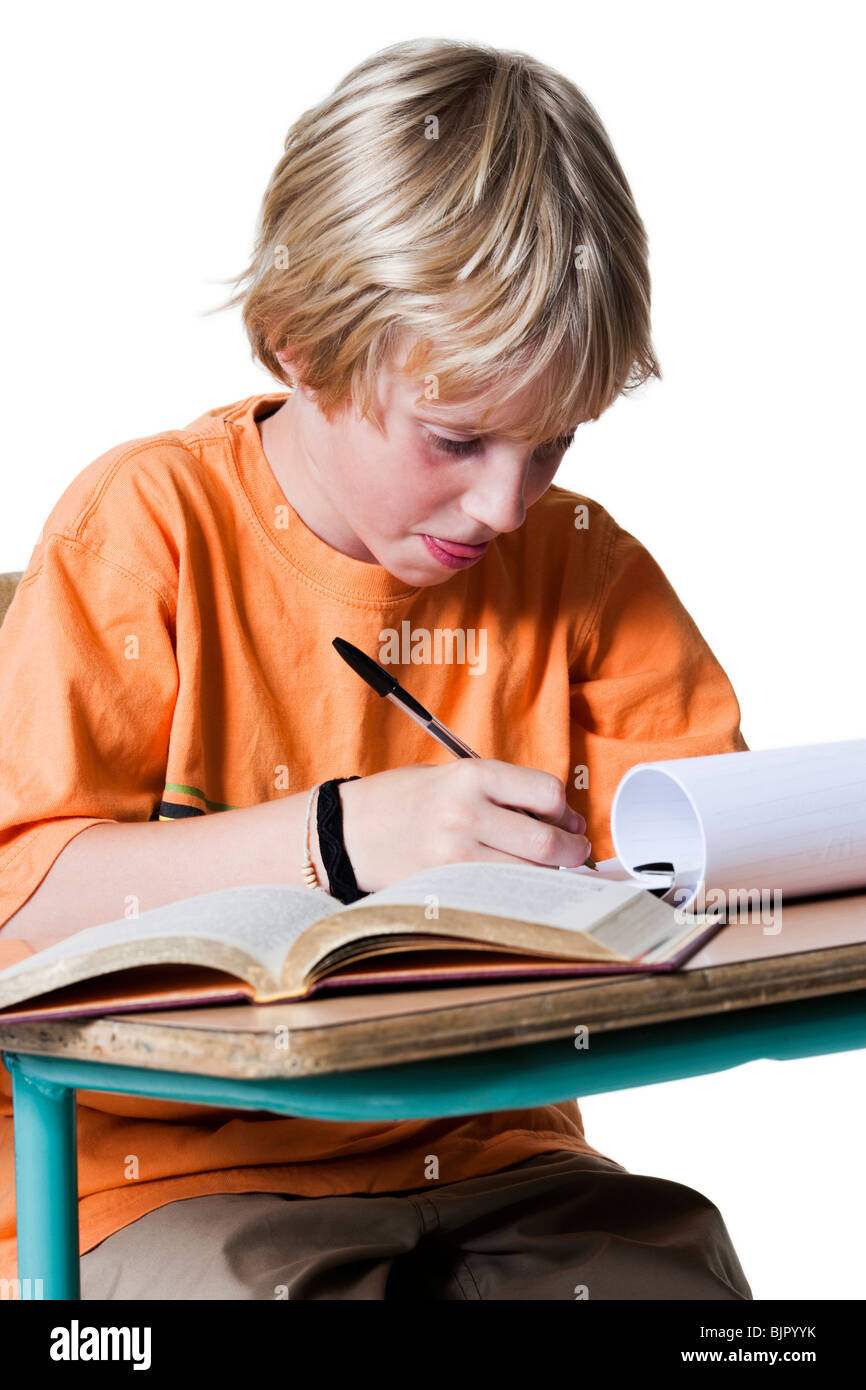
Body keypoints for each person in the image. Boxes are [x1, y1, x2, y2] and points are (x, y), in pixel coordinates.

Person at [0, 37, 752, 1300]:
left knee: (684, 1295)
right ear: (301, 345)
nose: (507, 503)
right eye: (456, 437)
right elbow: (15, 902)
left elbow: (712, 874)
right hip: (157, 1181)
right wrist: (336, 839)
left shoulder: (584, 565)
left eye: (552, 441)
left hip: (497, 1150)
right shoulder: (144, 529)